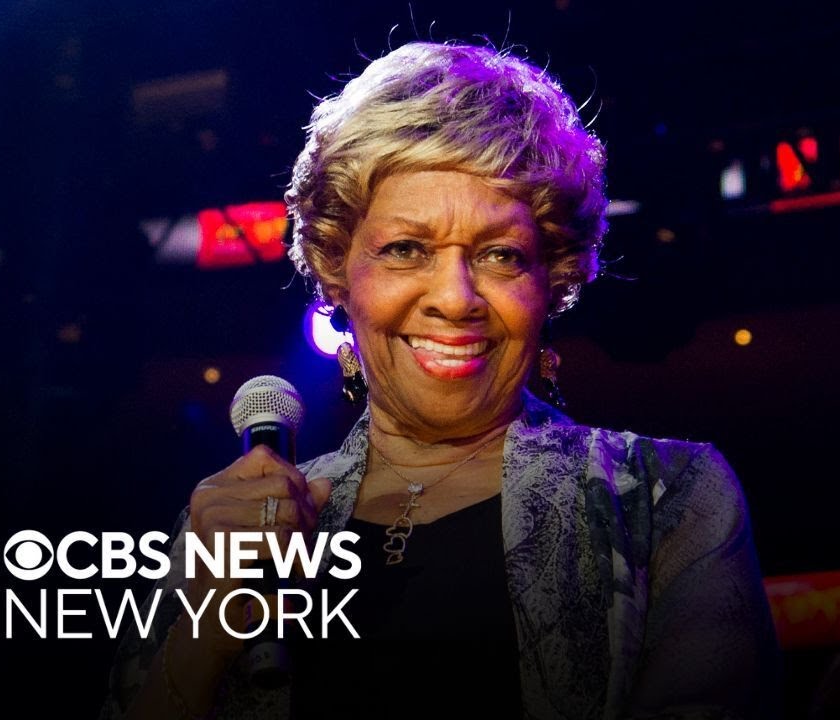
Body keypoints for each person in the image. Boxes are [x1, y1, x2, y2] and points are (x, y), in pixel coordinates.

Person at [102, 41, 779, 720]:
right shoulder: (226, 528)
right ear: (339, 271)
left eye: (500, 255)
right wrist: (205, 629)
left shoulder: (666, 499)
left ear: (552, 280)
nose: (456, 299)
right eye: (407, 249)